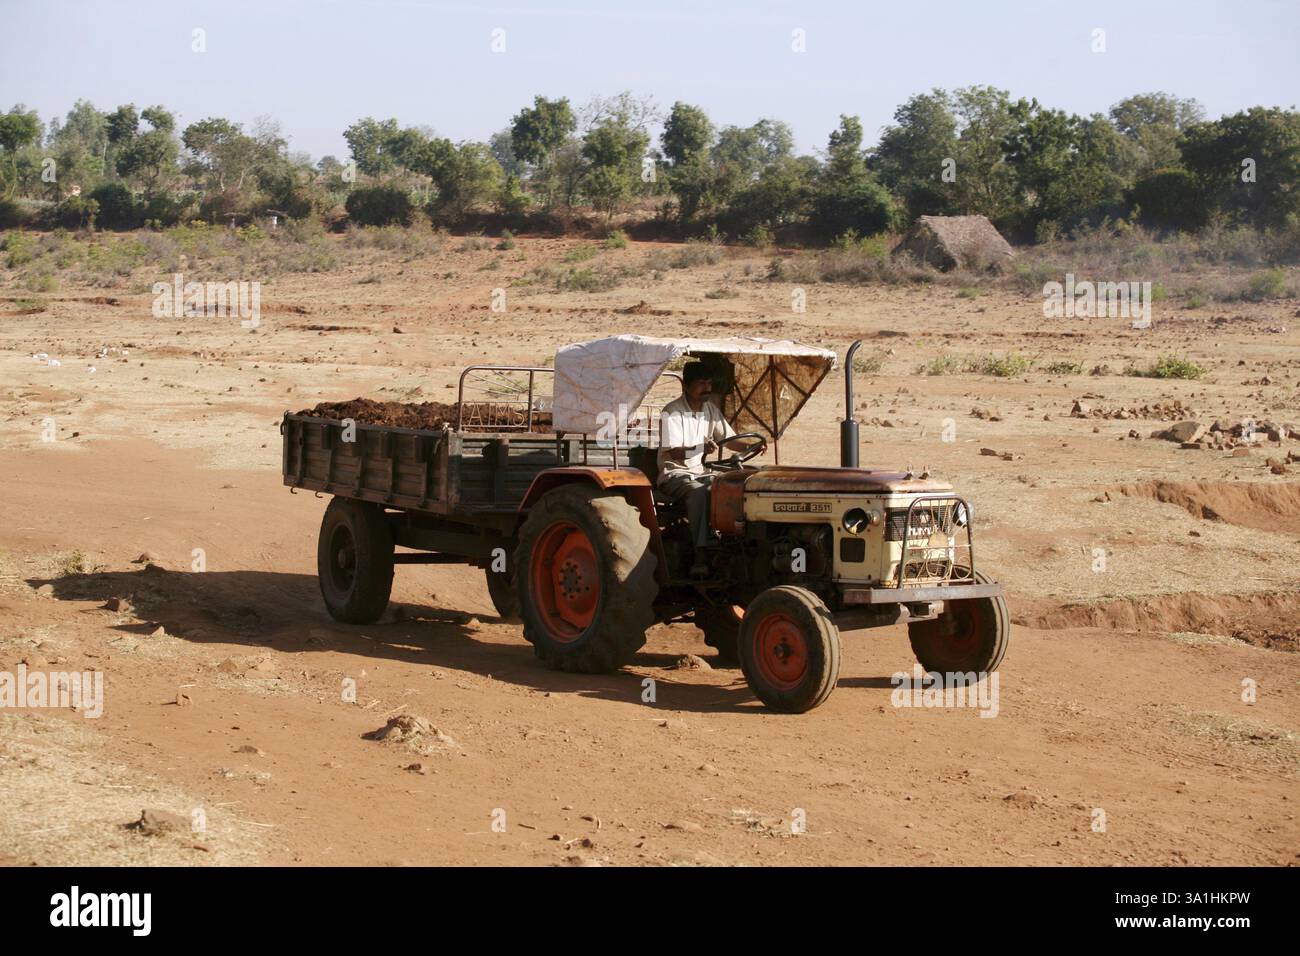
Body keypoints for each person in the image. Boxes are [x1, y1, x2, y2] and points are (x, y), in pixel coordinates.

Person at [657, 362, 751, 576]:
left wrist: (752, 444)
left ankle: (734, 542)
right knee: (699, 492)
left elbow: (729, 440)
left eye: (709, 383)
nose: (707, 388)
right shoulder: (672, 412)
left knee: (736, 484)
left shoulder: (710, 410)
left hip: (700, 471)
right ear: (687, 386)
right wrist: (701, 448)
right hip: (675, 473)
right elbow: (675, 454)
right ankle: (700, 555)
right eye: (701, 383)